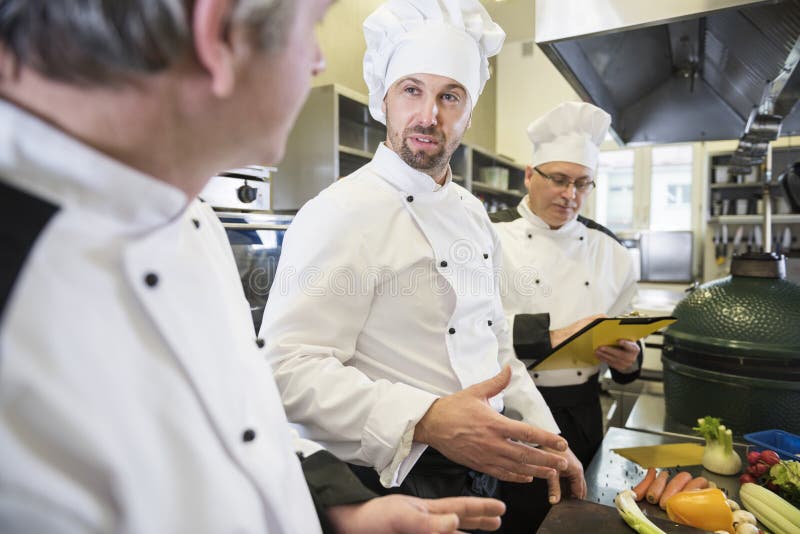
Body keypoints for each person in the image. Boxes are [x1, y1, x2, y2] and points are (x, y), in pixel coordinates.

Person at [0, 1, 507, 533]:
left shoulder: (190, 217)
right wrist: (421, 419)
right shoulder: (25, 275)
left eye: (450, 96)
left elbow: (240, 428)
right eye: (311, 29)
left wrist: (337, 515)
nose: (317, 61)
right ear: (215, 33)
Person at [260, 0, 586, 522]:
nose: (428, 115)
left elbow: (495, 345)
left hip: (485, 465)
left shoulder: (473, 216)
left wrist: (550, 439)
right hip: (390, 478)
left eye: (449, 96)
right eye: (411, 90)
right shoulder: (341, 212)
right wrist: (428, 418)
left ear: (469, 113)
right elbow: (286, 370)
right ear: (383, 99)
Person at [489, 101, 641, 531]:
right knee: (517, 521)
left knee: (584, 519)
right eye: (558, 179)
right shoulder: (486, 236)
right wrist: (556, 334)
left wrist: (631, 361)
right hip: (510, 414)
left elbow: (625, 325)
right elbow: (469, 330)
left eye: (583, 183)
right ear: (528, 175)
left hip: (583, 412)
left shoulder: (610, 250)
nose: (570, 195)